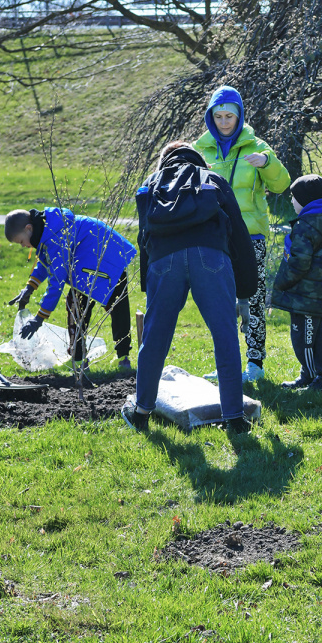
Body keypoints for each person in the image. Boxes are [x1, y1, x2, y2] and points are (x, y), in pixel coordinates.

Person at [121, 142, 258, 433]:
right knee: (224, 335)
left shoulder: (151, 183)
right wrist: (246, 288)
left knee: (155, 337)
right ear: (198, 159)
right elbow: (238, 232)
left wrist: (148, 284)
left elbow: (145, 236)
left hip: (164, 260)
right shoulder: (213, 179)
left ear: (164, 161)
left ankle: (141, 412)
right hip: (211, 256)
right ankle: (234, 418)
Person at [194, 86, 291, 384]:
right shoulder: (200, 149)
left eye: (230, 116)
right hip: (214, 236)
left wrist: (268, 163)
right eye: (218, 116)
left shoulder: (257, 146)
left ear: (240, 116)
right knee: (219, 302)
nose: (224, 122)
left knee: (254, 298)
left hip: (251, 237)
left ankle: (255, 363)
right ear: (210, 117)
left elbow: (281, 184)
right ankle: (226, 364)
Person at [4, 207, 136, 377]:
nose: (23, 246)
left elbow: (56, 282)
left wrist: (39, 318)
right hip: (99, 258)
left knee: (88, 306)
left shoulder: (56, 236)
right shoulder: (48, 227)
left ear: (28, 228)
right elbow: (46, 259)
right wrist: (30, 287)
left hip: (105, 259)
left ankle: (93, 360)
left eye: (21, 241)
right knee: (98, 306)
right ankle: (90, 361)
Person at [272, 174, 322, 392]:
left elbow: (298, 264)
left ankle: (317, 377)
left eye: (294, 197)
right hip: (315, 294)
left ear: (305, 200)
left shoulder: (307, 226)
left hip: (307, 296)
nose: (291, 201)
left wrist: (279, 285)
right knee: (316, 338)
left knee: (303, 339)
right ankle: (314, 375)